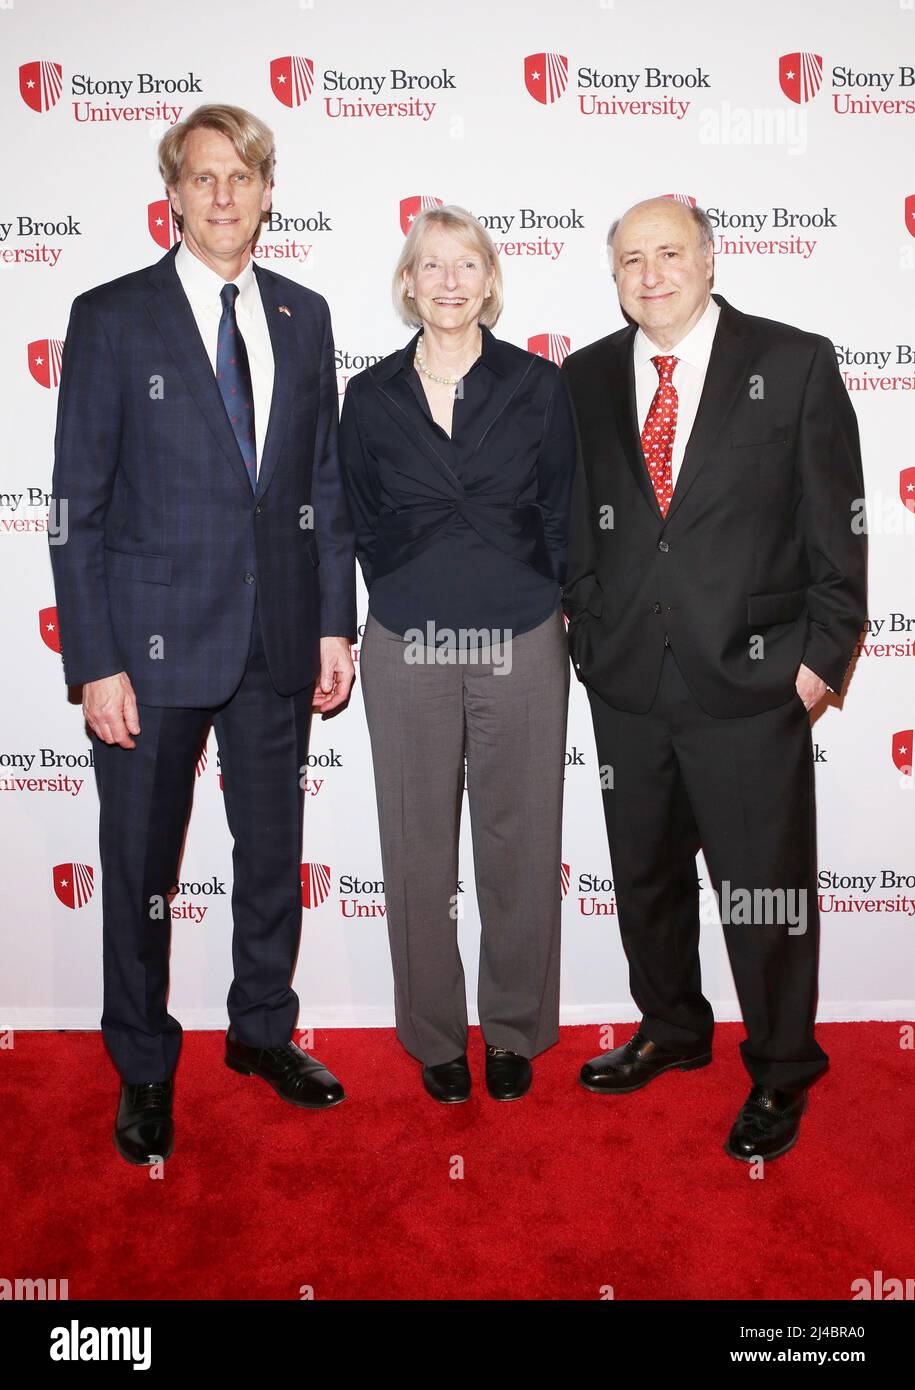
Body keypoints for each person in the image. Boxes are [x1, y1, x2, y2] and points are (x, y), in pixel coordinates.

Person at [48, 104, 357, 1165]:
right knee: (140, 862)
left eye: (243, 176)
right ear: (173, 194)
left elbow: (320, 483)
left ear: (268, 192)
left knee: (272, 854)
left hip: (276, 639)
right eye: (202, 177)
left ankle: (262, 1032)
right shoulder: (112, 316)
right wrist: (92, 658)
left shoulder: (304, 317)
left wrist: (331, 622)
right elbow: (75, 503)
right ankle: (141, 1063)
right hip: (150, 649)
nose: (224, 194)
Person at [561, 196, 866, 1161]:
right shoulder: (584, 377)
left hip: (752, 684)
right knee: (645, 876)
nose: (649, 275)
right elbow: (572, 522)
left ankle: (780, 1069)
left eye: (668, 254)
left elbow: (837, 523)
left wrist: (823, 659)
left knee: (762, 893)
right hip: (626, 684)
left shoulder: (792, 361)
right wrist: (585, 628)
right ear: (613, 279)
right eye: (629, 262)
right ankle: (672, 1030)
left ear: (708, 258)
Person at [339, 206, 576, 1103]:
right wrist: (406, 579)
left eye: (464, 265)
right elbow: (351, 519)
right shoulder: (369, 396)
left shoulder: (536, 385)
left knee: (519, 840)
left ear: (489, 281)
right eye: (429, 266)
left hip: (520, 637)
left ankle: (513, 1030)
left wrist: (541, 595)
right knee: (416, 848)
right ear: (408, 284)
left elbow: (561, 508)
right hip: (406, 643)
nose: (447, 281)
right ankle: (435, 1036)